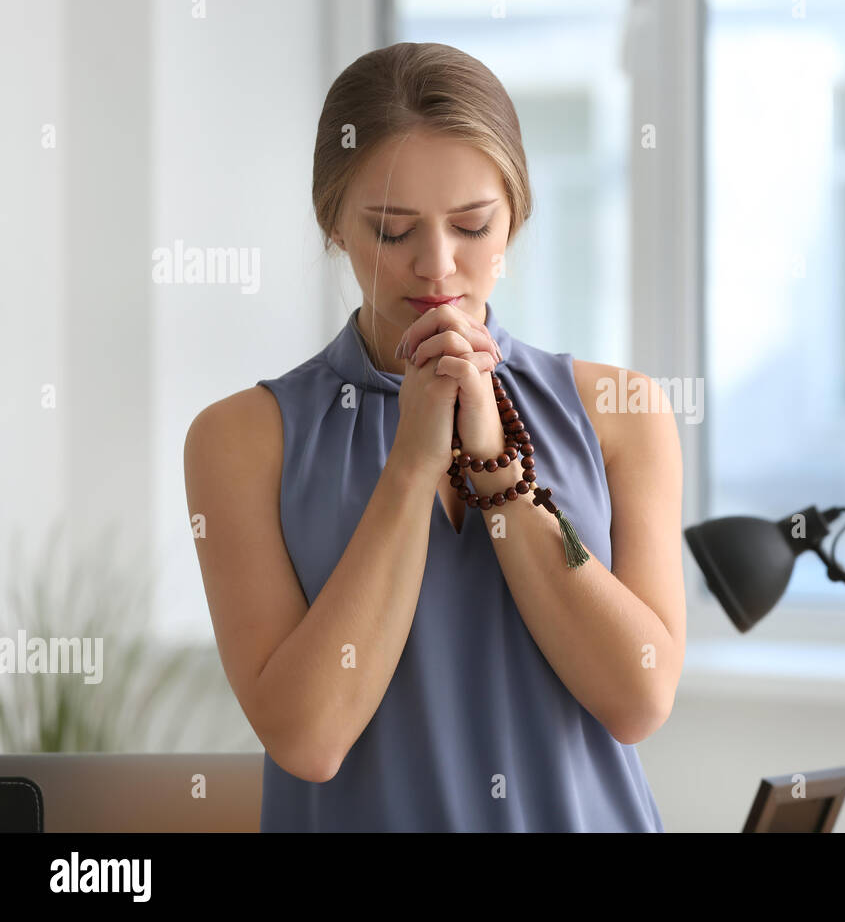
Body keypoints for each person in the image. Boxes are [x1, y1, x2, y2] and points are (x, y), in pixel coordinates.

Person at [183, 42, 684, 831]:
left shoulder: (620, 409)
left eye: (472, 226)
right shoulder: (242, 440)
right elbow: (309, 739)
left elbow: (639, 698)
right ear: (334, 227)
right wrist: (412, 464)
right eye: (391, 231)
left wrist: (493, 463)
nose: (438, 267)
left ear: (513, 218)